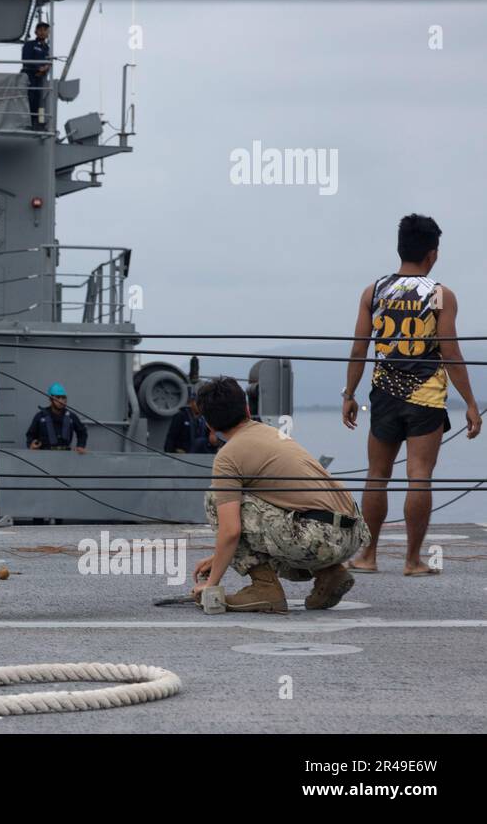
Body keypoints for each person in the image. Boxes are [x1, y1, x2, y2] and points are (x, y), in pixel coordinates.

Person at [342, 214, 480, 576]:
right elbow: (450, 352)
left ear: (400, 247)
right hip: (427, 397)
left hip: (384, 393)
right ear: (432, 254)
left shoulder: (374, 291)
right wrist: (470, 403)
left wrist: (349, 394)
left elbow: (359, 349)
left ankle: (367, 557)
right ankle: (412, 560)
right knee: (419, 475)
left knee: (376, 474)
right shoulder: (440, 294)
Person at [191, 377, 369, 613]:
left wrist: (210, 586)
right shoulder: (272, 433)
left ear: (209, 425)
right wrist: (218, 559)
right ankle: (329, 574)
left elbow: (231, 531)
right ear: (246, 409)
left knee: (217, 500)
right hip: (352, 534)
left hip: (319, 538)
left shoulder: (227, 457)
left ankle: (265, 589)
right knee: (266, 505)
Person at [26, 382, 87, 452]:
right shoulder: (40, 416)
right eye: (57, 397)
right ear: (50, 399)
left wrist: (80, 446)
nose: (61, 401)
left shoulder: (71, 416)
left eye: (63, 397)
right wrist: (31, 444)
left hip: (66, 455)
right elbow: (30, 434)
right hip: (44, 455)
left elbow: (82, 432)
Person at [165, 387, 222, 454]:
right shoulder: (181, 416)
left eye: (202, 403)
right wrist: (171, 453)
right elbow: (171, 438)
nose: (200, 405)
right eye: (198, 402)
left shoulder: (205, 419)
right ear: (191, 402)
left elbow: (209, 438)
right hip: (182, 455)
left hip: (198, 455)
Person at [20, 21, 51, 130]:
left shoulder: (47, 49)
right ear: (36, 32)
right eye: (41, 30)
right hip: (30, 76)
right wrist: (39, 68)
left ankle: (38, 123)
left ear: (48, 33)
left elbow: (48, 63)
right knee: (30, 98)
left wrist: (46, 68)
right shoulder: (30, 45)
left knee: (40, 101)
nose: (43, 32)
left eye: (45, 30)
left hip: (40, 78)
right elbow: (26, 60)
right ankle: (28, 123)